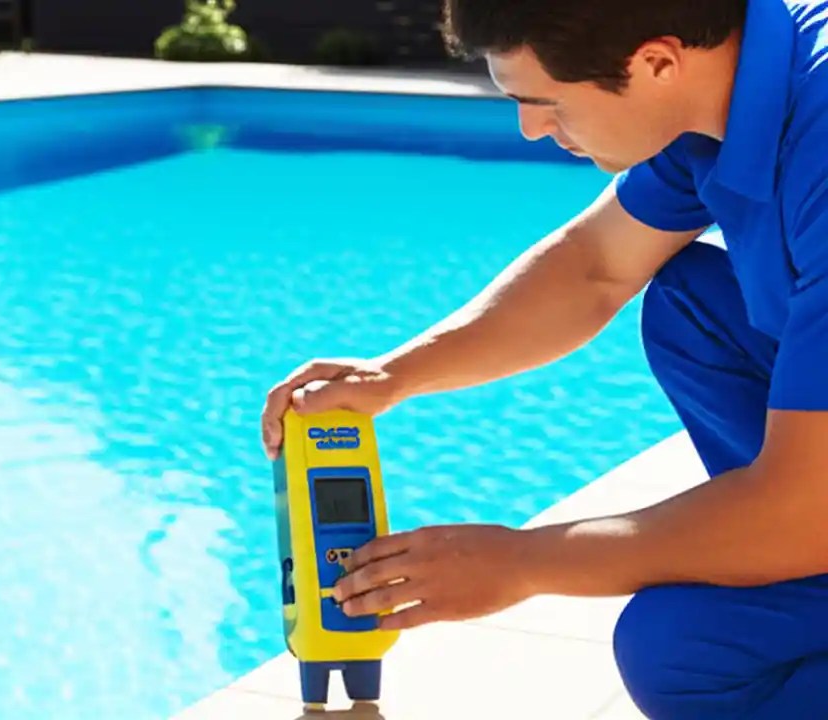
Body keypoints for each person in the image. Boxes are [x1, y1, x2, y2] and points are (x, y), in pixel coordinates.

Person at [259, 0, 828, 717]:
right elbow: (594, 267)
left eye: (544, 100)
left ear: (656, 62)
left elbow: (810, 510)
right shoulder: (727, 87)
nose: (529, 128)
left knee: (682, 655)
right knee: (691, 305)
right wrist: (393, 375)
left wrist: (522, 563)